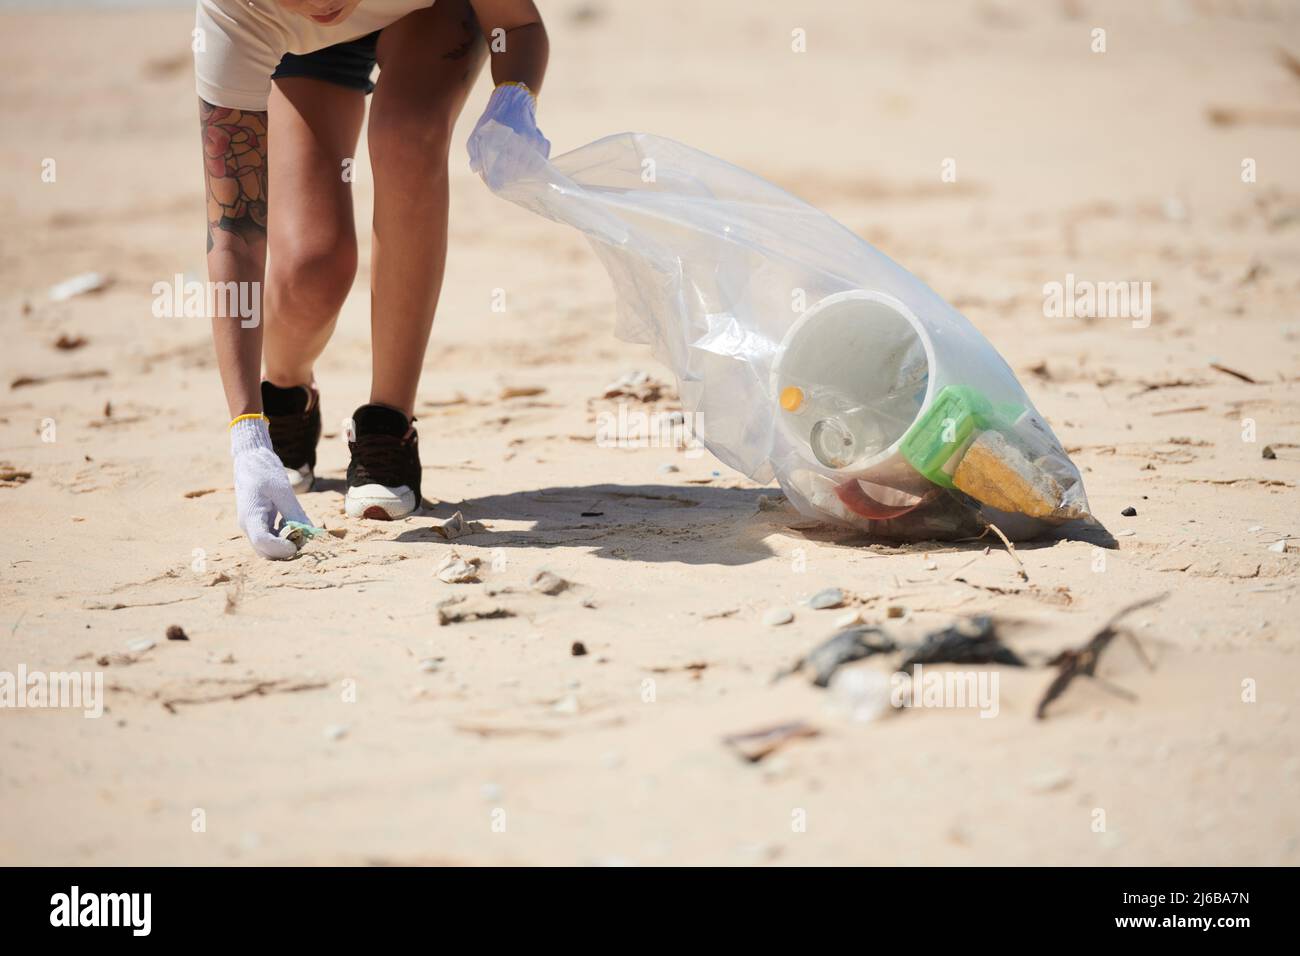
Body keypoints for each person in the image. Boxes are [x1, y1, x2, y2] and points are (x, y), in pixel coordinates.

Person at [193, 0, 550, 558]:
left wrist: (514, 100)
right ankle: (287, 392)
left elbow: (519, 24)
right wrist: (247, 432)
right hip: (298, 46)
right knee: (313, 268)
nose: (328, 5)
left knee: (407, 136)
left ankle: (388, 422)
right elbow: (233, 229)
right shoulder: (233, 15)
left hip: (427, 14)